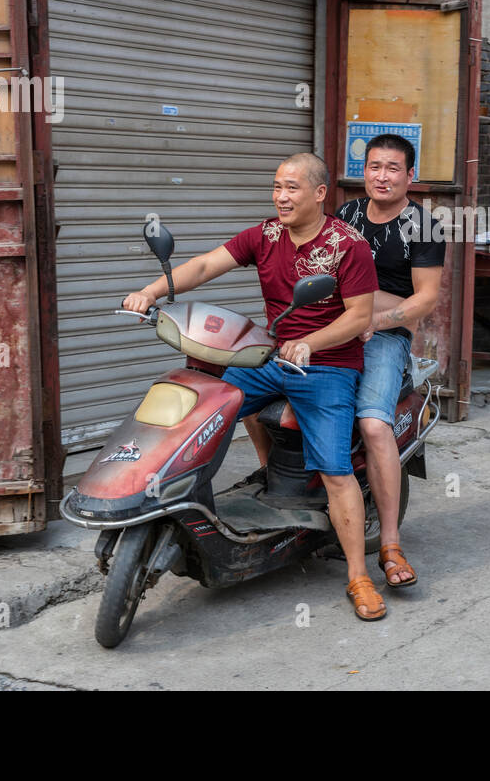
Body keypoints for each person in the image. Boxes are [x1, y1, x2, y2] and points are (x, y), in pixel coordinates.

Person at [121, 153, 389, 622]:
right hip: (275, 355)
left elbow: (359, 317)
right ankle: (267, 477)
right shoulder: (265, 235)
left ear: (320, 194)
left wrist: (310, 342)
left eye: (292, 188)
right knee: (216, 396)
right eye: (276, 187)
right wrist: (151, 291)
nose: (281, 197)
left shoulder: (349, 246)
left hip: (327, 367)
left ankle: (358, 576)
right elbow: (206, 265)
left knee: (335, 471)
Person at [335, 134, 445, 587]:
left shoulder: (425, 225)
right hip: (339, 326)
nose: (382, 176)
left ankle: (390, 543)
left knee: (374, 423)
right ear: (365, 172)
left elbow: (426, 300)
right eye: (374, 167)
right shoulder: (347, 215)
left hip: (387, 337)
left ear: (409, 176)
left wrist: (375, 322)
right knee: (263, 390)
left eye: (392, 168)